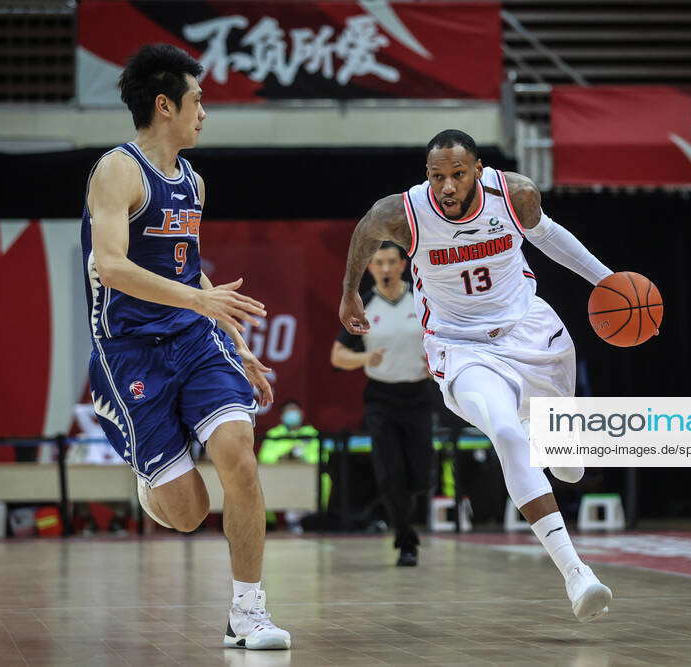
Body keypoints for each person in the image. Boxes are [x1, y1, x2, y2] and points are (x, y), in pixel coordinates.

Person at [339, 129, 625, 622]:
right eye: (436, 177)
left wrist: (607, 280)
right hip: (460, 345)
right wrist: (348, 294)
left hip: (529, 330)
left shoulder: (514, 194)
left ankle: (560, 442)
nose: (446, 187)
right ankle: (577, 573)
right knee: (506, 432)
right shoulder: (404, 213)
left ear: (477, 170)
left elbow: (548, 234)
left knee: (566, 458)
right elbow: (365, 231)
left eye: (456, 175)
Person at [81, 44, 290, 650]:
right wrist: (201, 300)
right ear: (165, 104)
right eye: (198, 100)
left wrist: (234, 342)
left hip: (194, 340)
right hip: (129, 350)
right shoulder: (118, 170)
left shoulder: (193, 180)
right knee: (190, 512)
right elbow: (111, 265)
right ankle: (150, 474)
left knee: (240, 455)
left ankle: (248, 613)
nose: (205, 112)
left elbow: (190, 272)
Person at [331, 242, 434, 567]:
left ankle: (406, 516)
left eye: (391, 261)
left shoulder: (421, 301)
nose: (386, 268)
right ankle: (405, 539)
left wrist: (437, 360)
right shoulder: (365, 306)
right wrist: (365, 356)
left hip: (418, 397)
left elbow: (446, 337)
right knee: (391, 474)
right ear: (371, 268)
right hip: (382, 400)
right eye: (379, 263)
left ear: (403, 264)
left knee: (420, 475)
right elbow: (337, 355)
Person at [258, 399, 322, 533]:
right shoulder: (274, 434)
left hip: (305, 475)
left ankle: (307, 519)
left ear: (301, 414)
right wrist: (286, 454)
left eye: (295, 410)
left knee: (322, 479)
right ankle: (270, 522)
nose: (292, 414)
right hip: (279, 475)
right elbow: (265, 458)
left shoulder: (311, 433)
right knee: (262, 480)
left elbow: (318, 457)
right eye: (289, 411)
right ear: (282, 416)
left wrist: (302, 457)